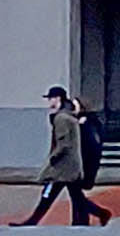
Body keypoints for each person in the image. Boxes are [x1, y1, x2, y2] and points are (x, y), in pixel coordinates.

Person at [18, 86, 109, 226]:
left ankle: (33, 220)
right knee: (75, 195)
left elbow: (63, 143)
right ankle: (92, 216)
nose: (49, 101)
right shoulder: (69, 118)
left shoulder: (62, 118)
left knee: (49, 194)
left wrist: (53, 158)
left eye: (50, 98)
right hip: (70, 165)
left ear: (57, 98)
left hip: (62, 166)